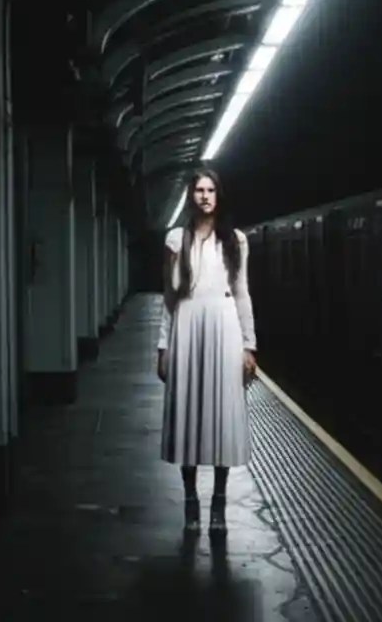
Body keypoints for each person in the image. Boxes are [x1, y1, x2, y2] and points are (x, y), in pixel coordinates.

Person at [157, 168, 258, 535]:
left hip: (224, 328)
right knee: (187, 416)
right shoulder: (174, 240)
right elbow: (169, 299)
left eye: (210, 189)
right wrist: (163, 345)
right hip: (186, 326)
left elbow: (242, 292)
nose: (204, 195)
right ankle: (189, 500)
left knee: (221, 417)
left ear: (219, 195)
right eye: (198, 189)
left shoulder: (235, 241)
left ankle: (218, 500)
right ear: (190, 196)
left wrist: (249, 344)